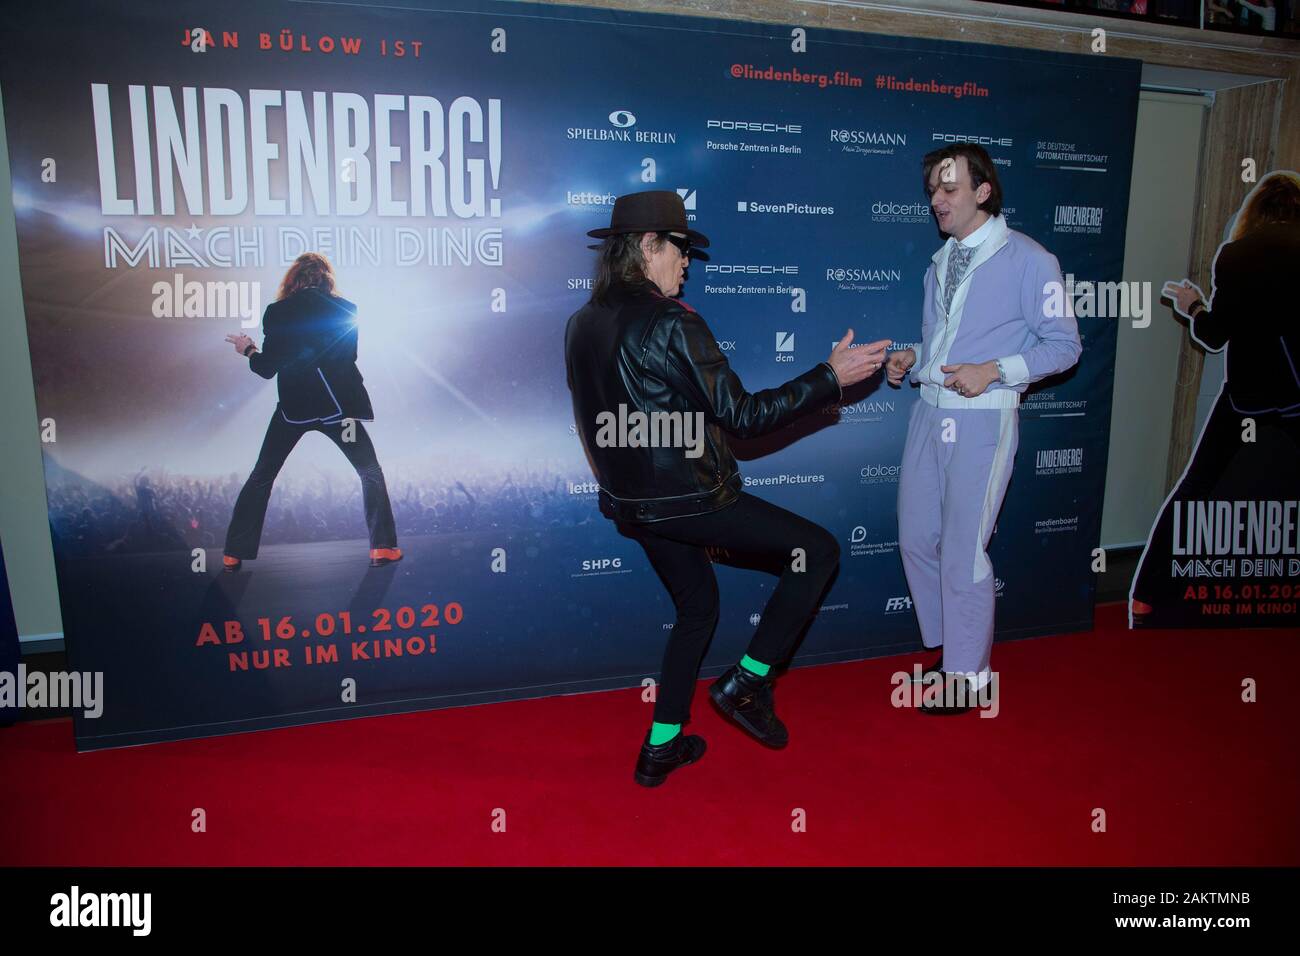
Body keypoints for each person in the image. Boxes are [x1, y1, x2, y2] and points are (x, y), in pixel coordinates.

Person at [565, 190, 888, 786]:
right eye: (680, 250)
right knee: (816, 552)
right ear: (647, 247)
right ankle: (748, 684)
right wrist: (828, 377)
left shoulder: (582, 321)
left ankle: (661, 745)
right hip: (689, 501)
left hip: (636, 508)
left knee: (698, 606)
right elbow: (743, 417)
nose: (686, 263)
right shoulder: (672, 322)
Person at [885, 144, 1081, 714]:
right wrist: (911, 358)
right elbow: (946, 346)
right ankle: (952, 656)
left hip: (983, 422)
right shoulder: (941, 261)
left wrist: (995, 371)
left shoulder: (1030, 259)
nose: (937, 200)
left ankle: (968, 679)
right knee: (917, 539)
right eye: (932, 191)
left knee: (963, 553)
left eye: (949, 188)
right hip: (930, 411)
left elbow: (1065, 347)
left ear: (983, 191)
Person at [1132, 171, 1300, 621]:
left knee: (1196, 486)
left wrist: (1193, 306)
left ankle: (1144, 593)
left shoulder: (1237, 256)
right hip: (1295, 391)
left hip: (1247, 392)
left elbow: (1214, 335)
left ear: (1256, 211)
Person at [222, 253, 401, 571]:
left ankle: (234, 553)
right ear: (327, 278)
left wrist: (248, 349)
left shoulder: (278, 312)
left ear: (292, 279)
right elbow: (350, 356)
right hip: (338, 411)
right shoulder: (347, 309)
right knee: (369, 471)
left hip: (294, 409)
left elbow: (267, 368)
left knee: (262, 476)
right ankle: (383, 548)